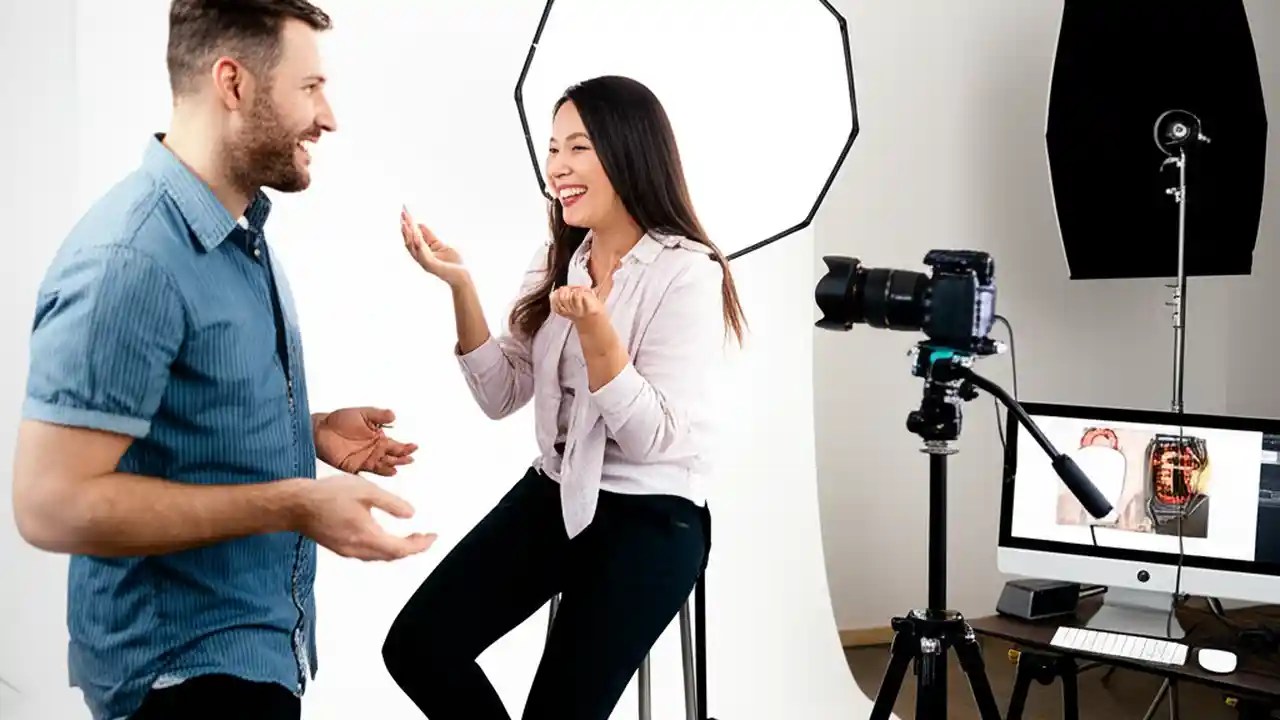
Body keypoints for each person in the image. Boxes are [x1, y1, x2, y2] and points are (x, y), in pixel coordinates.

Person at [11, 2, 434, 719]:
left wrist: (311, 428)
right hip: (183, 682)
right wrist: (296, 502)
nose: (326, 116)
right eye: (309, 88)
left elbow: (181, 418)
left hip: (244, 665)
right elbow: (51, 505)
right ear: (233, 83)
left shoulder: (235, 235)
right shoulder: (133, 258)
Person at [381, 74, 746, 720]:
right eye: (553, 149)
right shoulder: (561, 255)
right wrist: (461, 286)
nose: (558, 168)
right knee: (418, 646)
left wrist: (597, 331)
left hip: (651, 515)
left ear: (628, 151)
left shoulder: (687, 272)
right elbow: (501, 393)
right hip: (556, 492)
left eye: (577, 148)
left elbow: (651, 438)